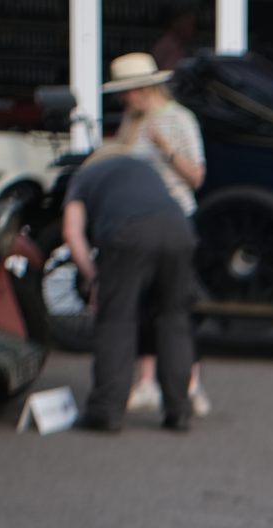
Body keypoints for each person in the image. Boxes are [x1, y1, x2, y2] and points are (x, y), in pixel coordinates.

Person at [103, 51, 210, 418]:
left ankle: (189, 386)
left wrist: (167, 150)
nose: (123, 99)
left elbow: (196, 176)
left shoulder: (180, 119)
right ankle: (146, 382)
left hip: (176, 218)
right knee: (142, 304)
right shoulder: (131, 122)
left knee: (176, 305)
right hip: (136, 221)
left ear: (145, 88)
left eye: (127, 91)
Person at [62, 143, 196, 433]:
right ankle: (179, 409)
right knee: (173, 318)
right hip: (178, 231)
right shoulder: (143, 167)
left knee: (117, 320)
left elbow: (71, 232)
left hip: (128, 233)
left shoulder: (84, 177)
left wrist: (93, 275)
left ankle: (106, 411)